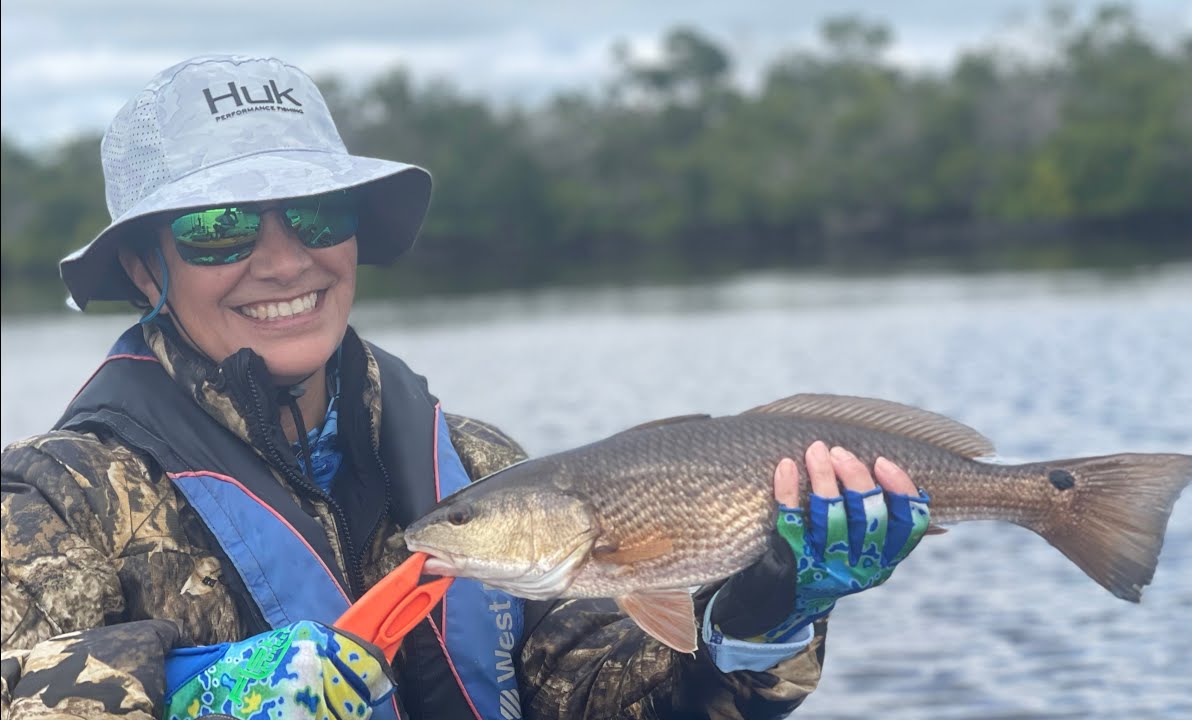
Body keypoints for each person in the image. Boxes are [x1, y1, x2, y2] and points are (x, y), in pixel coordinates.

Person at [0, 55, 930, 719]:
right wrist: (178, 694)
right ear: (145, 270)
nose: (283, 261)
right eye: (219, 227)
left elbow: (603, 695)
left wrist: (761, 619)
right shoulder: (52, 496)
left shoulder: (478, 464)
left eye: (316, 213)